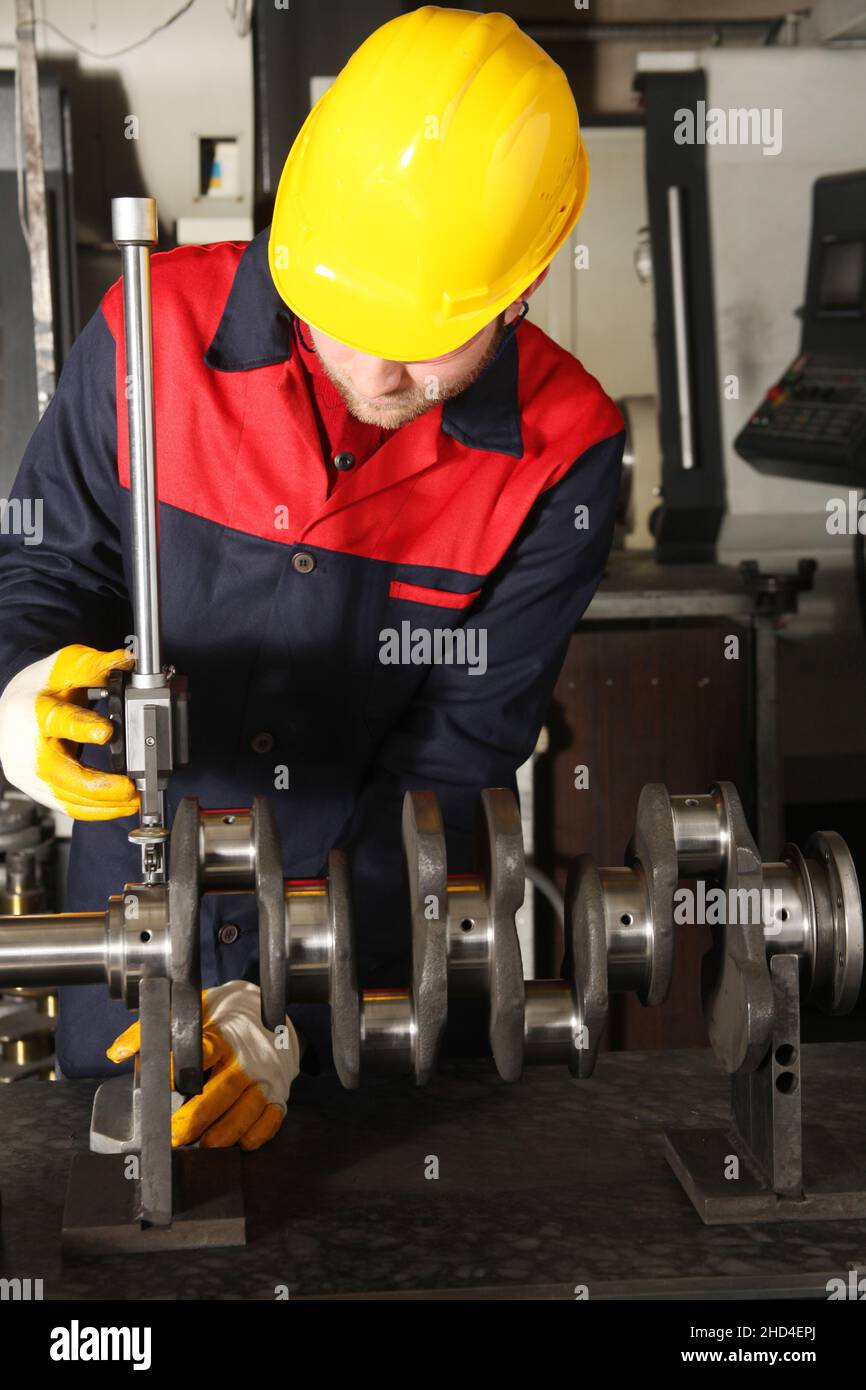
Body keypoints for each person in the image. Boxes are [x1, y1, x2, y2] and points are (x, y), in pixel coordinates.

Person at [0, 6, 624, 1148]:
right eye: (350, 317)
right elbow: (41, 562)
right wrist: (17, 694)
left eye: (428, 333)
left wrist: (283, 1004)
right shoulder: (146, 332)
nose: (375, 369)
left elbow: (455, 757)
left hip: (380, 969)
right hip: (126, 920)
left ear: (521, 287)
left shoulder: (565, 451)